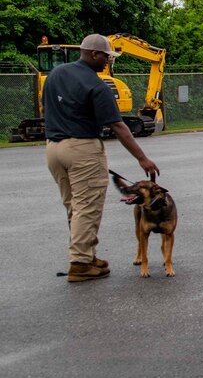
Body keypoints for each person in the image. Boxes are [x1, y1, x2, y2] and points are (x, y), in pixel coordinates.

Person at [43, 34, 160, 282]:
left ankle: (86, 255)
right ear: (94, 54)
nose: (108, 61)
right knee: (87, 207)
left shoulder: (56, 74)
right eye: (107, 56)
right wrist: (142, 159)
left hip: (53, 147)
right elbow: (118, 126)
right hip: (82, 149)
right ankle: (81, 264)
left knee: (73, 206)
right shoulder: (98, 85)